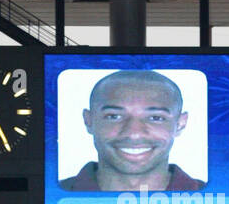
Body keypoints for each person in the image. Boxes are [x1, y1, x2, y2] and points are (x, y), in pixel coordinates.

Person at [60, 70, 205, 193]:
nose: (134, 134)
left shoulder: (219, 197)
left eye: (155, 118)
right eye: (114, 116)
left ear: (180, 124)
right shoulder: (46, 197)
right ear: (88, 120)